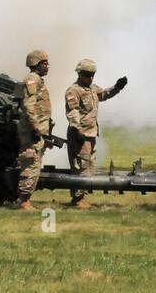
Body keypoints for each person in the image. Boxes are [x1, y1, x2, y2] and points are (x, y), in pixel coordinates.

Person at [64, 59, 127, 208]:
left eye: (92, 74)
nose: (90, 77)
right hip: (80, 135)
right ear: (79, 74)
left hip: (91, 134)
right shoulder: (74, 90)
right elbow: (72, 112)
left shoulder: (91, 89)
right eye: (87, 74)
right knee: (81, 167)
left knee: (89, 167)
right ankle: (78, 200)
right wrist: (77, 130)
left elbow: (104, 94)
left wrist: (117, 87)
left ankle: (82, 198)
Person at [15, 49, 53, 210]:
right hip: (32, 133)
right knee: (31, 163)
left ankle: (25, 200)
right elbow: (29, 107)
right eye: (44, 63)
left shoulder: (37, 80)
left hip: (36, 131)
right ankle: (24, 202)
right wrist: (37, 128)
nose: (47, 66)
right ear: (35, 64)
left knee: (34, 163)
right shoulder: (32, 80)